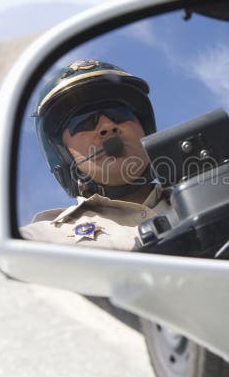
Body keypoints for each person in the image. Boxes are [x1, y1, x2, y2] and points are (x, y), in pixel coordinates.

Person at [20, 59, 169, 250]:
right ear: (63, 156)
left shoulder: (202, 193)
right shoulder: (38, 240)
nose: (107, 126)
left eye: (119, 113)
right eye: (84, 122)